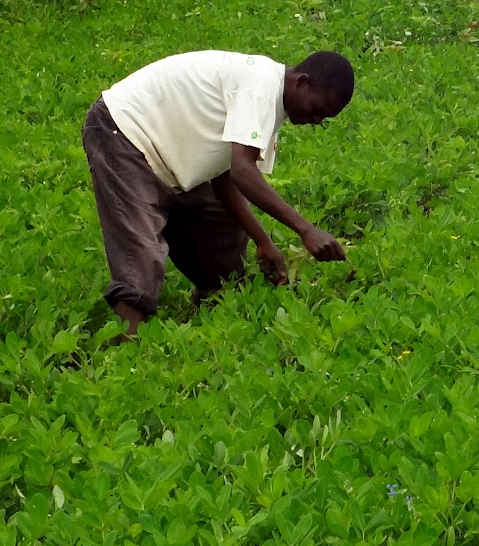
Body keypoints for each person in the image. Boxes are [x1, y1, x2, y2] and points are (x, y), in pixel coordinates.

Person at [82, 48, 354, 337]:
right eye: (318, 110)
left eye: (324, 118)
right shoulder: (260, 86)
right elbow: (243, 172)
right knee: (140, 253)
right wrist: (307, 230)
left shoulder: (269, 102)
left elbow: (225, 174)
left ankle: (212, 323)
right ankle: (126, 356)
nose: (316, 121)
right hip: (124, 133)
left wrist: (262, 241)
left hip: (171, 150)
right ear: (302, 83)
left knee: (222, 233)